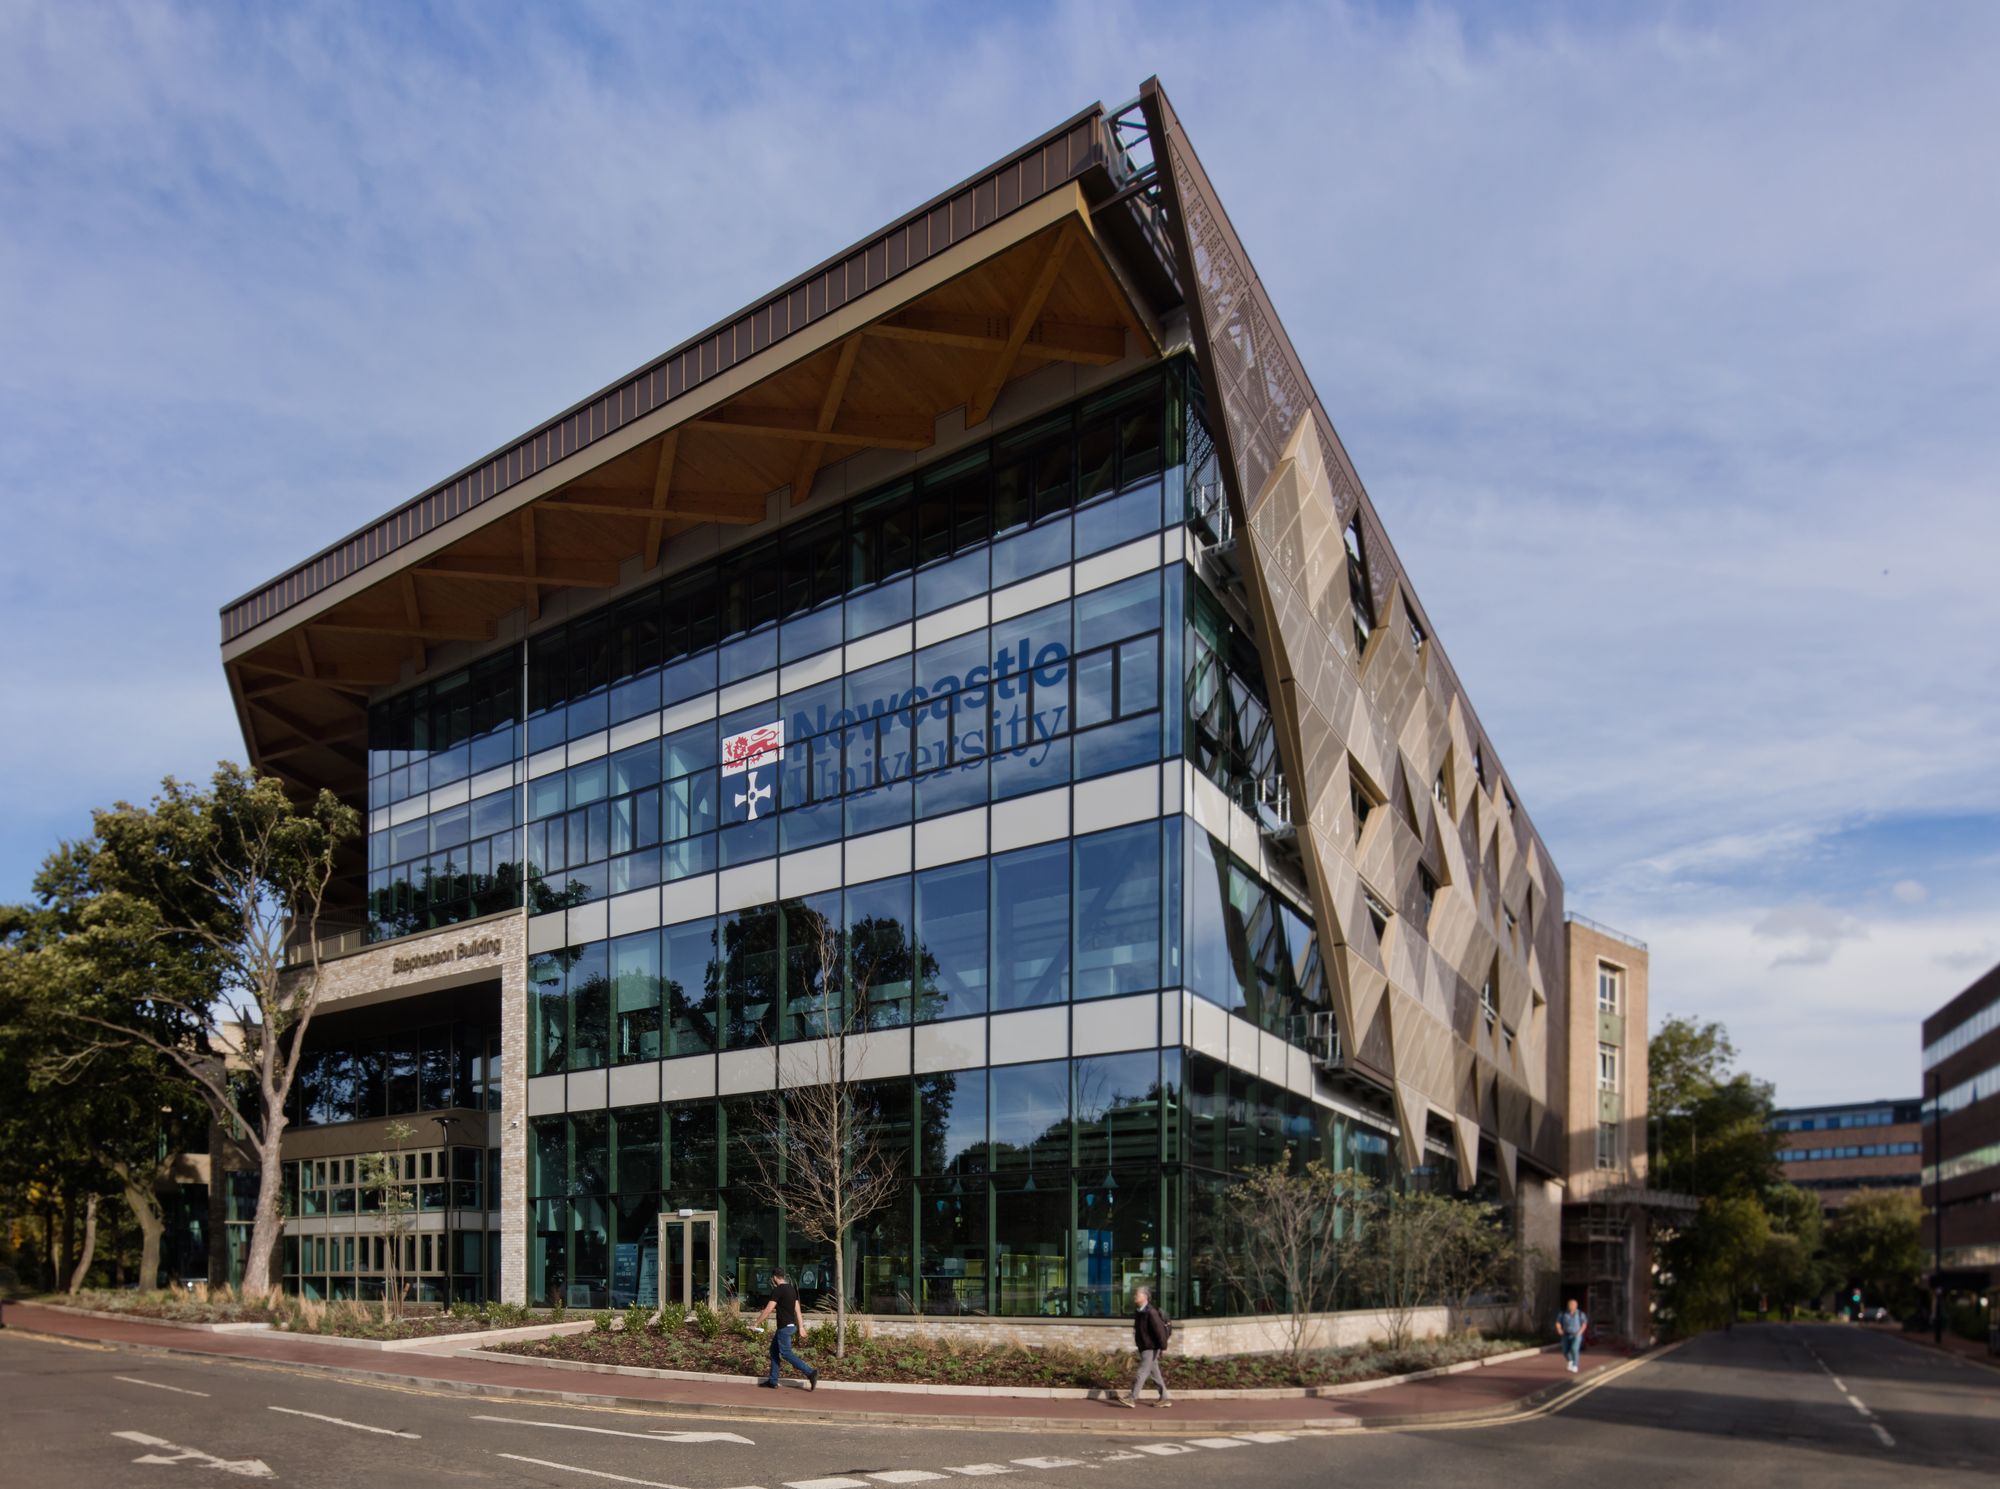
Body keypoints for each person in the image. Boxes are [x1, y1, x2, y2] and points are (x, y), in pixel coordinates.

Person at [751, 1267, 818, 1391]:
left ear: (774, 1278)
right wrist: (801, 1327)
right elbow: (797, 1309)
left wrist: (756, 1323)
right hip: (790, 1326)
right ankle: (772, 1381)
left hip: (784, 1328)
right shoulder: (792, 1289)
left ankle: (810, 1372)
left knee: (786, 1354)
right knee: (774, 1351)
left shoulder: (777, 1290)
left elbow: (768, 1309)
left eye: (772, 1278)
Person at [1111, 1285, 1171, 1408]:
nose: (1135, 1296)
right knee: (1155, 1374)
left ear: (1145, 1297)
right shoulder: (1140, 1312)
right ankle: (1164, 1398)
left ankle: (1132, 1398)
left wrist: (1162, 1347)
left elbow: (1159, 1331)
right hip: (1144, 1347)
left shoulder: (1151, 1312)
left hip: (1151, 1347)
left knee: (1142, 1372)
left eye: (1137, 1294)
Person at [1556, 1298, 1589, 1374]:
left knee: (1574, 1349)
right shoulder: (1563, 1313)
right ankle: (1570, 1361)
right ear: (1568, 1306)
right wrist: (1559, 1329)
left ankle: (1575, 1365)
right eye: (1570, 1305)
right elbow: (1558, 1322)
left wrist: (1580, 1332)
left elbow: (1584, 1324)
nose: (1572, 1306)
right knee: (1565, 1351)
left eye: (1573, 1305)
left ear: (1576, 1306)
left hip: (1576, 1334)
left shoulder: (1580, 1313)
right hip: (1566, 1334)